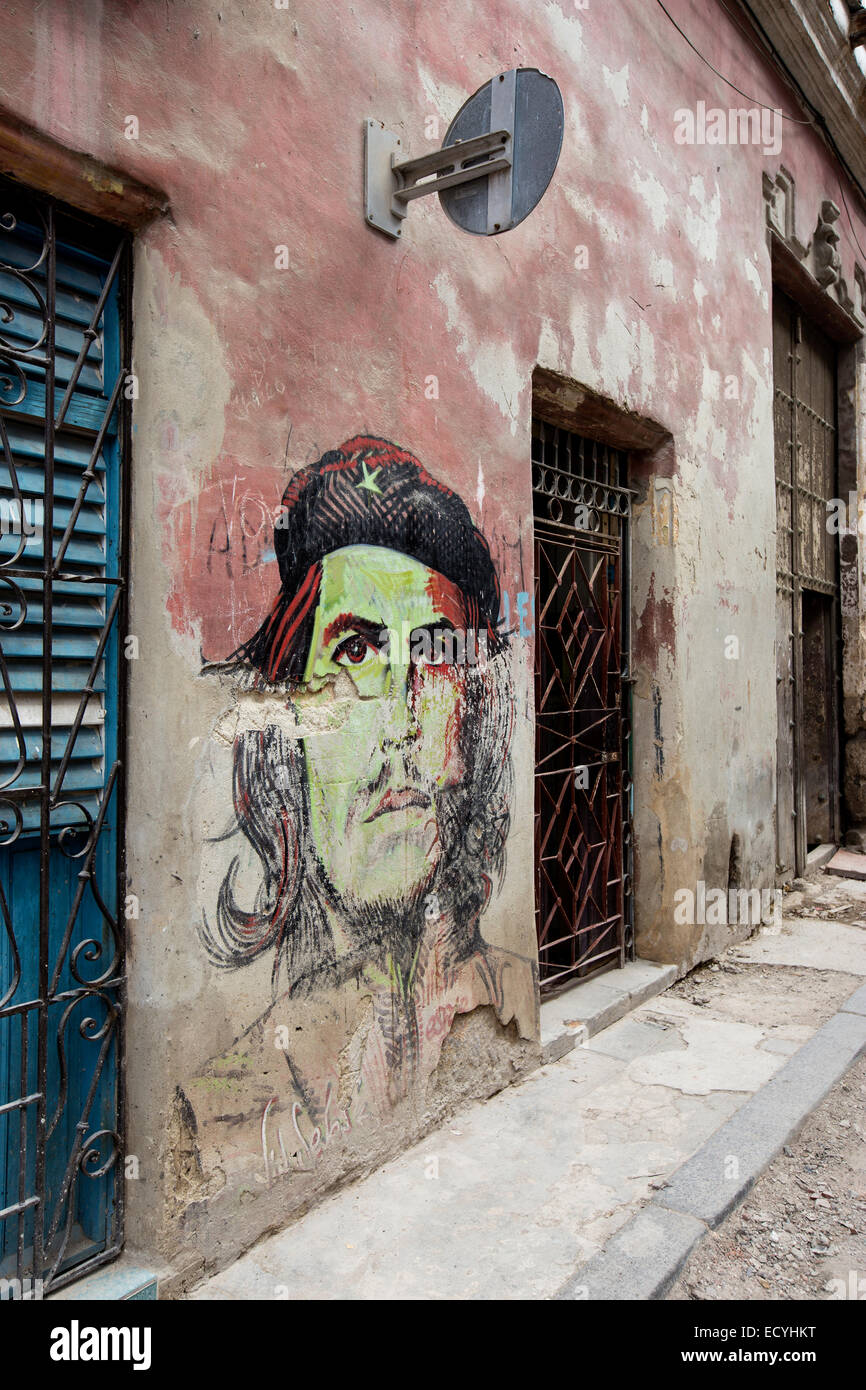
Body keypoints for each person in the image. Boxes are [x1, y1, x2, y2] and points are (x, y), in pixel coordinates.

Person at [199, 436, 516, 1109]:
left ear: (468, 716)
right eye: (357, 648)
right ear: (287, 734)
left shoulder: (510, 999)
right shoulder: (224, 1115)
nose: (403, 721)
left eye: (432, 651)